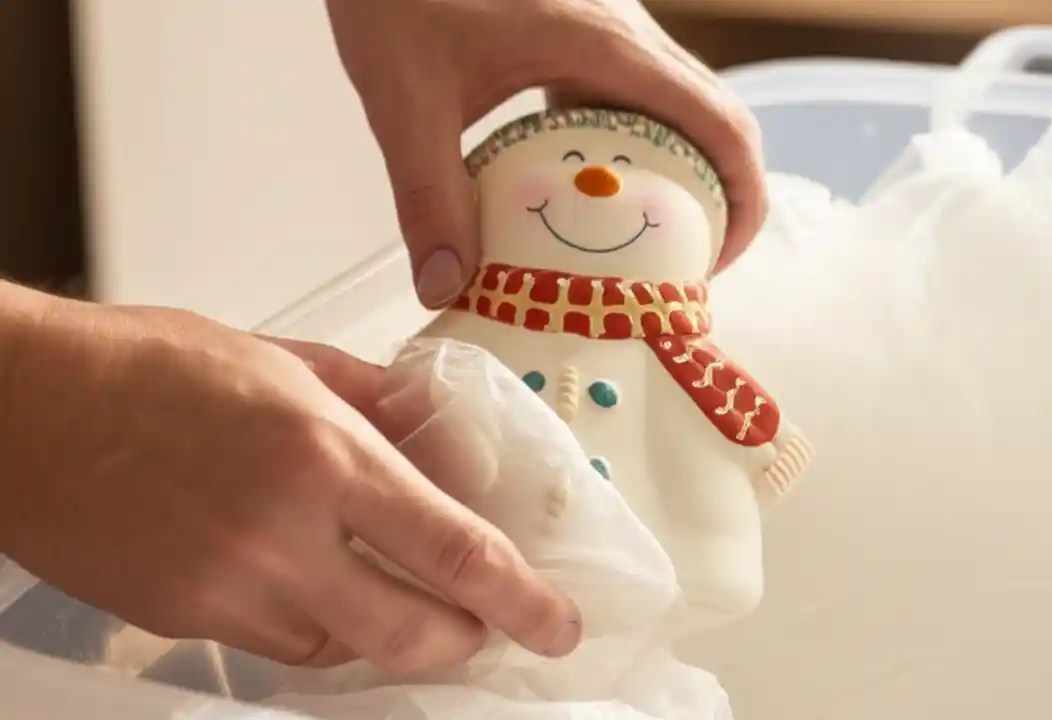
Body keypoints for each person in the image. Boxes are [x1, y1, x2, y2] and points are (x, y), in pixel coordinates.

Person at [0, 0, 766, 679]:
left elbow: (714, 508)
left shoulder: (680, 366)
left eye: (627, 171)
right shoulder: (474, 327)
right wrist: (30, 383)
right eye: (572, 162)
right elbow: (411, 396)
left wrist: (714, 555)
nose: (598, 183)